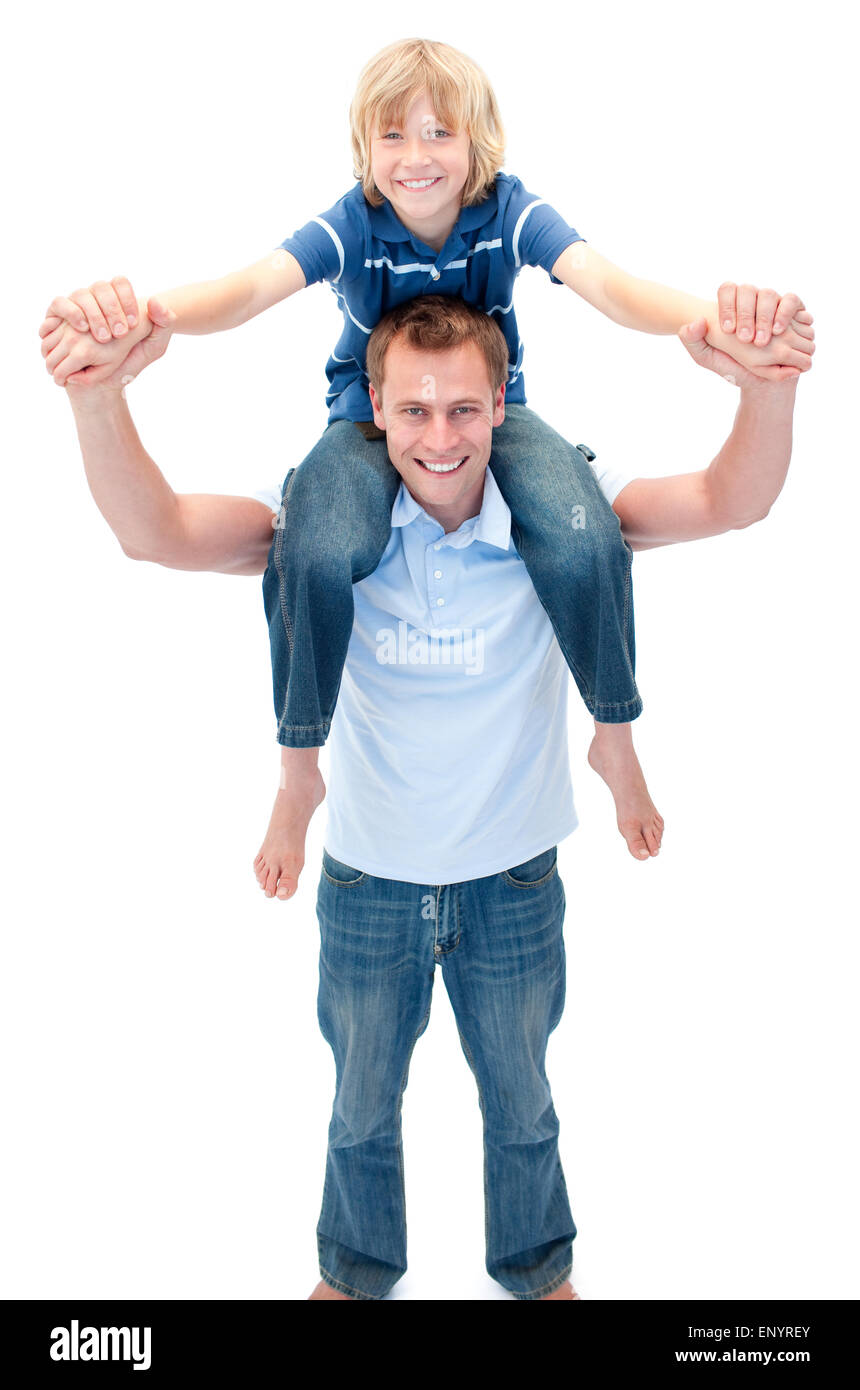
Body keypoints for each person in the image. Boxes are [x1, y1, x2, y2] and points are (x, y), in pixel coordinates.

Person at [53, 288, 805, 1299]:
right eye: (413, 410)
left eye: (462, 409)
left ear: (502, 406)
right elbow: (158, 532)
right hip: (369, 882)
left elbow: (730, 501)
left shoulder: (561, 514)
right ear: (373, 408)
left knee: (522, 1104)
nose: (439, 437)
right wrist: (98, 400)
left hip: (513, 881)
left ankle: (537, 1271)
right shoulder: (329, 529)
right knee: (360, 1106)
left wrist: (767, 390)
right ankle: (353, 1273)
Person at [38, 37, 814, 901]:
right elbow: (250, 289)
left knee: (584, 533)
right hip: (353, 424)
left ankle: (615, 734)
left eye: (439, 134)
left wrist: (717, 329)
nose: (416, 159)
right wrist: (150, 320)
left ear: (480, 147)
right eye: (393, 138)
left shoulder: (509, 211)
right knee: (319, 548)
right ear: (366, 152)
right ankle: (299, 771)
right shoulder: (353, 224)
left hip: (504, 409)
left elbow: (609, 286)